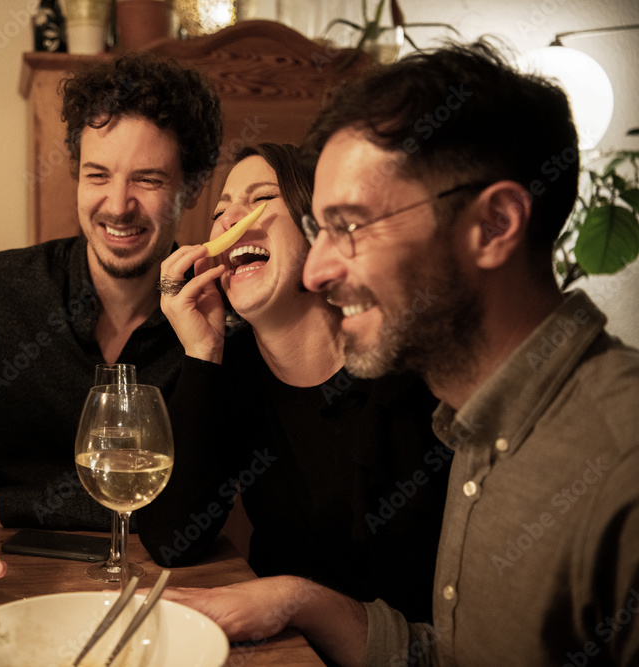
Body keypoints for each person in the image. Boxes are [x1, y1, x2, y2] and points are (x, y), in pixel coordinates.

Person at [164, 41, 639, 666]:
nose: (320, 270)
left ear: (494, 225)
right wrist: (300, 599)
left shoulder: (620, 462)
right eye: (321, 231)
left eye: (351, 226)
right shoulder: (474, 425)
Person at [0, 52, 224, 564]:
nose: (118, 205)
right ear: (75, 174)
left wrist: (9, 505)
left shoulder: (216, 325)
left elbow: (194, 518)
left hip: (155, 579)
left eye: (148, 179)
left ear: (191, 188)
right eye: (98, 175)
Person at [138, 143, 448, 625]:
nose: (228, 220)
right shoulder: (233, 368)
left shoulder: (405, 373)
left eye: (260, 199)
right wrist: (202, 353)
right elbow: (170, 542)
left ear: (319, 230)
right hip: (283, 646)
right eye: (220, 210)